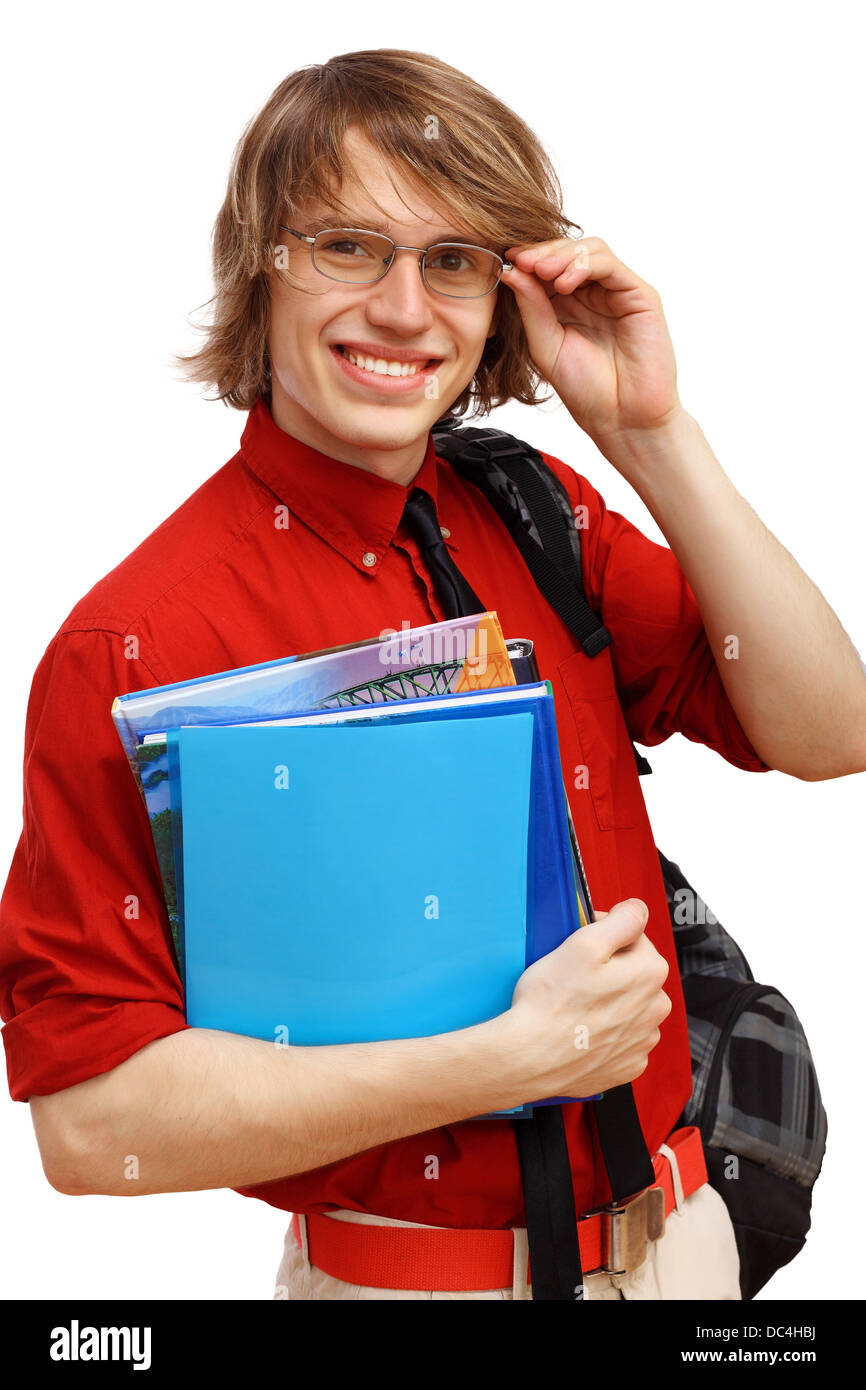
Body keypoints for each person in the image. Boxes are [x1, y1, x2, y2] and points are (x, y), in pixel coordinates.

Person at [1, 49, 863, 1302]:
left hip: (684, 1250)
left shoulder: (535, 516)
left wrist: (647, 433)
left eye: (452, 260)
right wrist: (504, 1058)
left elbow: (830, 727)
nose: (406, 310)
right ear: (262, 263)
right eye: (349, 246)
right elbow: (90, 1129)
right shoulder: (133, 643)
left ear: (499, 297)